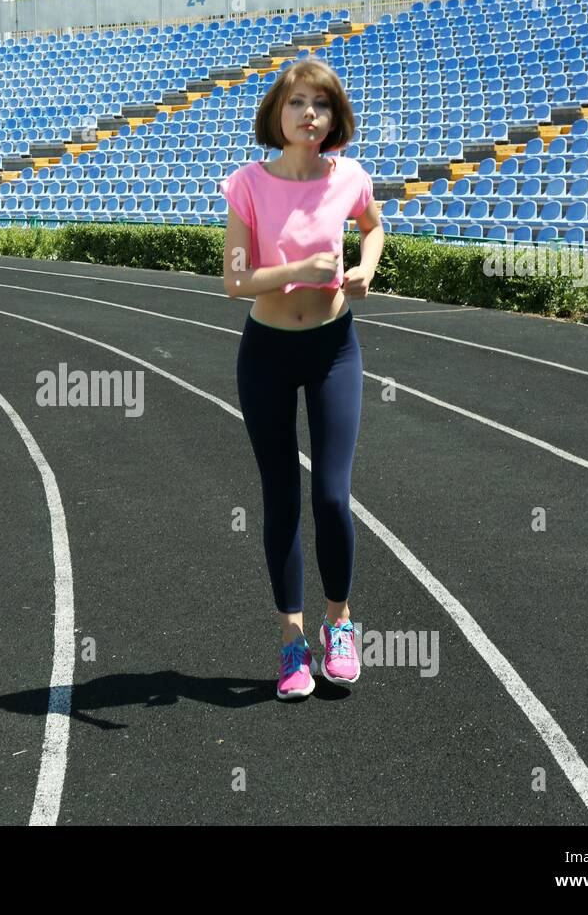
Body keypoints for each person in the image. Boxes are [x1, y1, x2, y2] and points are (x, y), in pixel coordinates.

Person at [219, 57, 385, 700]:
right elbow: (234, 280)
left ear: (333, 116)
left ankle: (338, 623)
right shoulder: (248, 185)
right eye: (296, 103)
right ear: (277, 114)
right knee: (282, 497)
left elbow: (372, 229)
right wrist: (300, 270)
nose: (308, 114)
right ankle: (292, 642)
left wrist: (365, 267)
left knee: (333, 497)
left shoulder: (349, 178)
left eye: (320, 103)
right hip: (267, 352)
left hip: (334, 350)